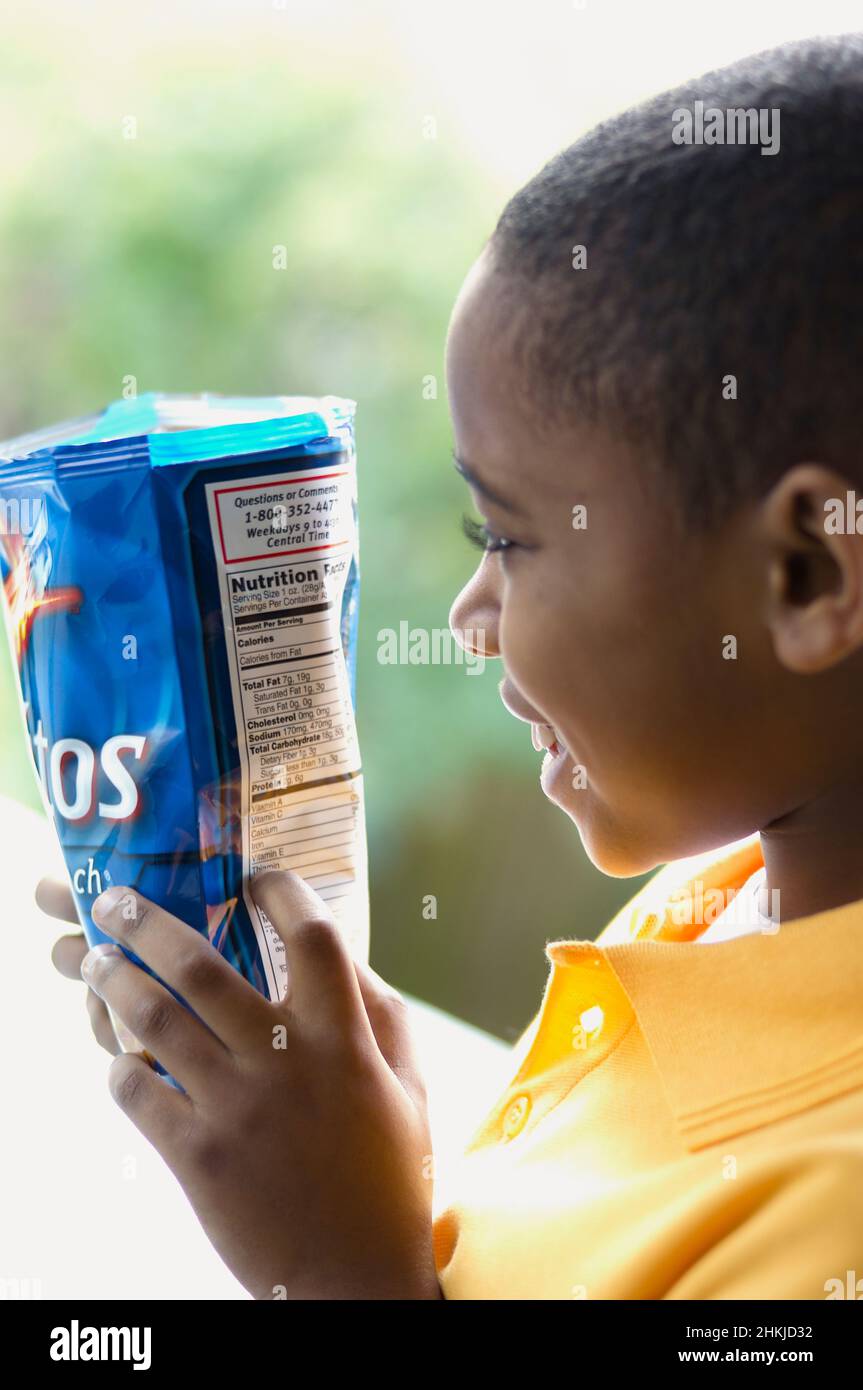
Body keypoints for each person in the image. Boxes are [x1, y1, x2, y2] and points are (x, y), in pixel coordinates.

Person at [40, 33, 863, 1299]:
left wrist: (338, 1270)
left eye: (509, 537)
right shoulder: (724, 901)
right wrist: (384, 1152)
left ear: (808, 576)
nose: (472, 613)